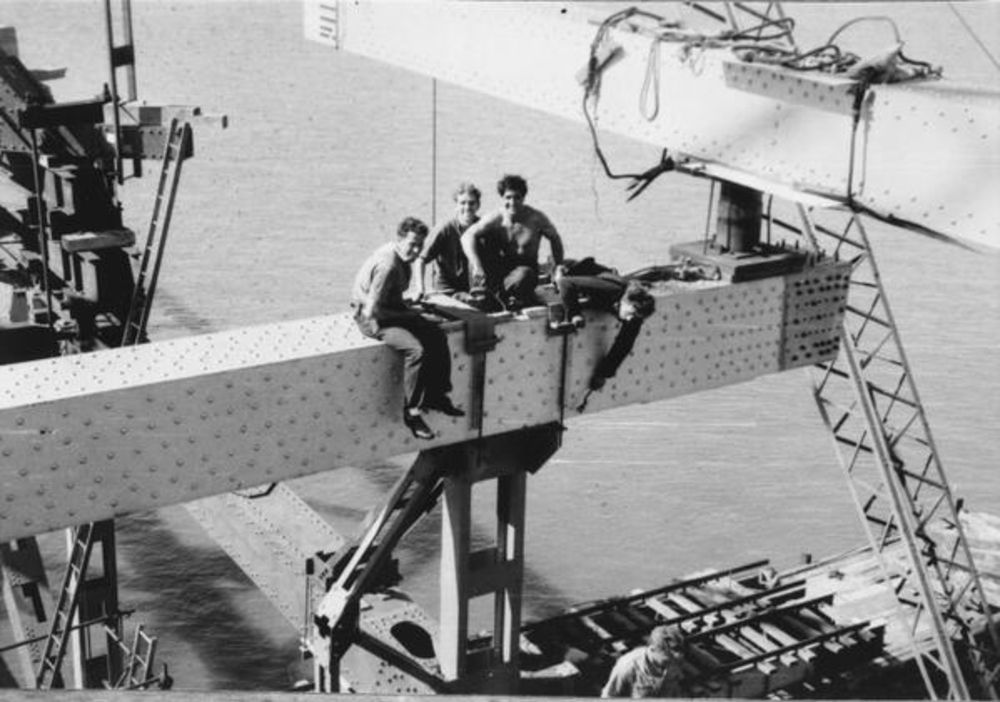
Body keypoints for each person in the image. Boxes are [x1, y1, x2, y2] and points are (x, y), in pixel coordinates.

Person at [350, 216, 464, 440]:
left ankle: (437, 396)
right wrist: (408, 314)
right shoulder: (388, 266)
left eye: (420, 245)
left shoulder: (398, 254)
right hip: (373, 320)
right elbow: (372, 312)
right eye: (412, 244)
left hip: (388, 308)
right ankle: (412, 412)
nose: (416, 250)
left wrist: (407, 309)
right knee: (416, 350)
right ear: (400, 240)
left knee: (437, 334)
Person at [461, 174, 564, 309]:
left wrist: (558, 267)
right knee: (478, 242)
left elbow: (555, 238)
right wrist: (477, 265)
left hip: (524, 271)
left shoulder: (536, 218)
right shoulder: (496, 217)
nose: (512, 202)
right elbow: (467, 236)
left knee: (525, 274)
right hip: (502, 269)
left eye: (517, 197)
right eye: (508, 197)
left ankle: (495, 296)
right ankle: (482, 293)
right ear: (502, 198)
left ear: (523, 198)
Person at [552, 258, 656, 393]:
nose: (629, 319)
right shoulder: (612, 290)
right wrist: (575, 313)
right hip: (574, 270)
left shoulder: (634, 316)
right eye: (630, 314)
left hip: (597, 283)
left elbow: (623, 346)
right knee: (560, 279)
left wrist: (603, 374)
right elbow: (565, 283)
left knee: (630, 327)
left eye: (635, 317)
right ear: (626, 302)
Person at [415, 182, 481, 298]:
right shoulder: (444, 228)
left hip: (473, 291)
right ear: (456, 206)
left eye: (471, 203)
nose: (467, 207)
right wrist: (421, 289)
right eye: (462, 203)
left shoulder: (483, 227)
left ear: (478, 205)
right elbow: (420, 260)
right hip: (447, 291)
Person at [601, 624, 689, 698]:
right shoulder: (628, 666)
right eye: (668, 657)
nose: (674, 659)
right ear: (654, 649)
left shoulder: (675, 660)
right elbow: (609, 696)